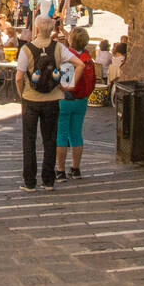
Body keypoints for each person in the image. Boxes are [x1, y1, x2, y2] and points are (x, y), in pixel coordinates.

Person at [16, 15, 83, 191]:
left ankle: (30, 182)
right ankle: (48, 180)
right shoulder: (58, 47)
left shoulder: (26, 49)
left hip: (31, 99)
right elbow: (80, 64)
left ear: (36, 30)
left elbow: (18, 76)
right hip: (53, 99)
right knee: (50, 140)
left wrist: (21, 93)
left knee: (29, 141)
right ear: (51, 30)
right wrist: (68, 86)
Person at [55, 28, 95, 180]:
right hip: (82, 100)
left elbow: (65, 82)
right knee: (76, 134)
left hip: (66, 99)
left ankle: (60, 170)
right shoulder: (87, 57)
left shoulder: (69, 58)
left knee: (61, 135)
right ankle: (76, 168)